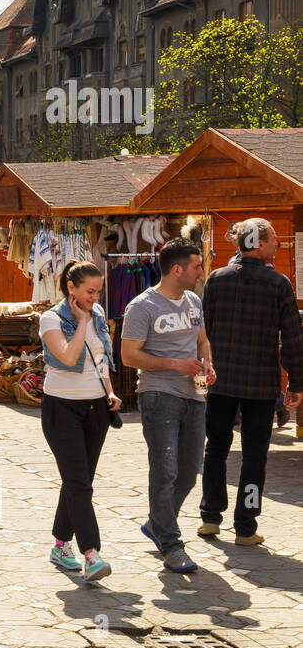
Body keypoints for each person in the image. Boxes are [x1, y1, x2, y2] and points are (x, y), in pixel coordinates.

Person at [200, 218, 303, 546]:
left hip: (219, 382)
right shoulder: (279, 284)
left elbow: (202, 333)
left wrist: (202, 374)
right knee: (254, 454)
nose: (278, 244)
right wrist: (296, 383)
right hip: (260, 385)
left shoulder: (216, 279)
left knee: (215, 448)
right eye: (273, 239)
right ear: (259, 243)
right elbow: (292, 340)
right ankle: (245, 526)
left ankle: (210, 518)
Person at [120, 238, 213, 573]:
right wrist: (175, 364)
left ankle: (156, 524)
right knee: (165, 471)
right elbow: (129, 355)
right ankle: (171, 544)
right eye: (197, 266)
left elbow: (202, 341)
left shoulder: (192, 301)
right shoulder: (142, 306)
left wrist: (207, 364)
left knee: (188, 472)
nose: (201, 272)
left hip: (195, 396)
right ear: (177, 270)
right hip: (159, 396)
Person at [38, 260, 122, 580]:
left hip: (96, 409)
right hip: (61, 410)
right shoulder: (50, 319)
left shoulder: (98, 314)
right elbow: (69, 356)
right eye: (89, 291)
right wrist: (81, 321)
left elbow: (100, 359)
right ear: (70, 289)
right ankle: (91, 554)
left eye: (98, 292)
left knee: (79, 480)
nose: (94, 298)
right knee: (79, 483)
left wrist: (111, 392)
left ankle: (60, 545)